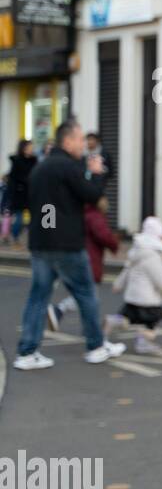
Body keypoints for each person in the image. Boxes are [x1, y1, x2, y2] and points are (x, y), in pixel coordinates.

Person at [12, 122, 126, 369]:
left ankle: (27, 353)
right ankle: (95, 346)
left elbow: (44, 206)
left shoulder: (40, 168)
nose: (83, 145)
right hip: (66, 244)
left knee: (38, 296)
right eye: (79, 139)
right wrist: (97, 173)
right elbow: (92, 196)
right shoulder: (67, 167)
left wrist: (48, 226)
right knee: (86, 293)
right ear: (67, 141)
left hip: (42, 243)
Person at [48, 196, 119, 332]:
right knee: (89, 297)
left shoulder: (79, 214)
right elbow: (104, 235)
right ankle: (61, 311)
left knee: (87, 297)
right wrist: (114, 244)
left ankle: (87, 328)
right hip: (89, 262)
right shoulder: (94, 215)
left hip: (76, 258)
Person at [107, 216, 162, 354]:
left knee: (129, 317)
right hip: (148, 299)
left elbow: (127, 269)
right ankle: (143, 341)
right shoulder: (153, 256)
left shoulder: (137, 251)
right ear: (157, 238)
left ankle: (113, 321)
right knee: (153, 320)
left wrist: (118, 284)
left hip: (133, 296)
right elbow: (160, 278)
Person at [4, 139, 36, 244]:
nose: (31, 150)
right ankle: (15, 236)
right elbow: (12, 179)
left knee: (35, 217)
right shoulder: (17, 161)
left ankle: (33, 238)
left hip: (30, 193)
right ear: (23, 149)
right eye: (28, 148)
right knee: (19, 219)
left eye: (32, 147)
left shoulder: (34, 161)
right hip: (18, 194)